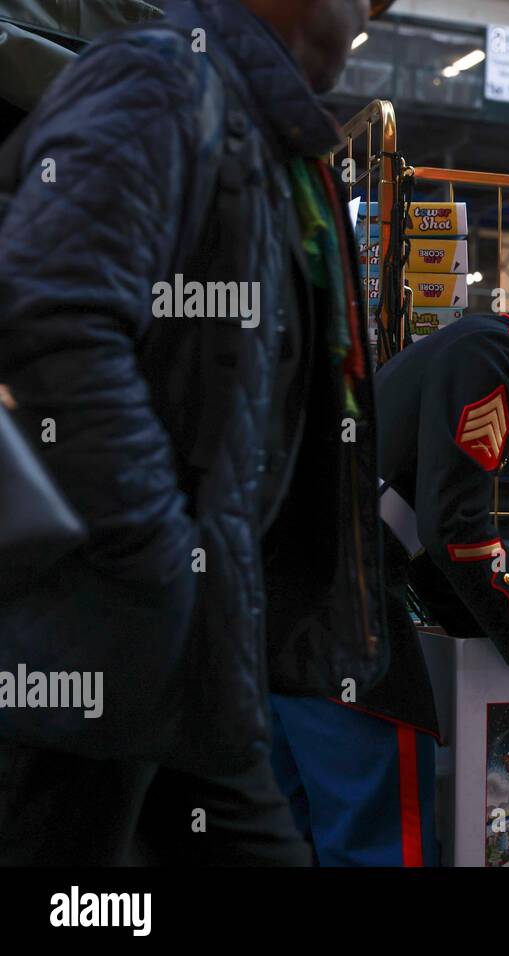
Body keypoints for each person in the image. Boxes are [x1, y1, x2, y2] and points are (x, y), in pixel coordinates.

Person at [0, 0, 385, 865]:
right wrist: (159, 560)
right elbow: (48, 313)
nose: (368, 15)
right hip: (88, 669)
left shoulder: (261, 135)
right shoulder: (163, 82)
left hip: (177, 671)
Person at [270, 250, 509, 865]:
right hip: (343, 611)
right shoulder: (493, 355)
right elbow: (453, 525)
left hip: (290, 603)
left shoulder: (480, 346)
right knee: (381, 839)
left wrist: (486, 627)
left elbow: (426, 529)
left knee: (293, 835)